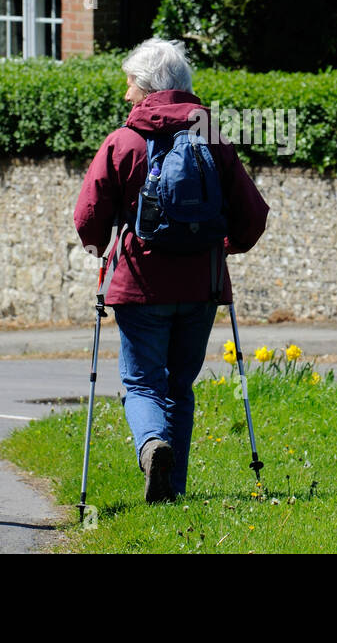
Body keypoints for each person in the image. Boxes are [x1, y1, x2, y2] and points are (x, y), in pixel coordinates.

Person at [74, 37, 269, 503]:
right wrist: (226, 246)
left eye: (129, 86)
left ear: (145, 88)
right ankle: (171, 490)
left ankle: (151, 446)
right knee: (180, 386)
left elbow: (88, 214)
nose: (125, 96)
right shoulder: (213, 138)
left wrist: (98, 245)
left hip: (139, 285)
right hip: (202, 284)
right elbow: (253, 215)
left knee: (142, 382)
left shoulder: (124, 142)